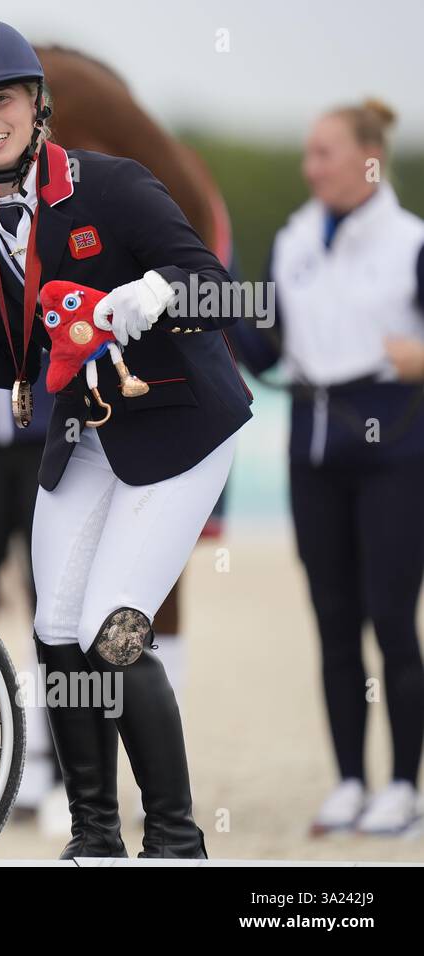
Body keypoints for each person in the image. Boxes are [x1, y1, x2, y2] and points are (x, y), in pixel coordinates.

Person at [0, 17, 253, 858]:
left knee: (111, 628)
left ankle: (176, 840)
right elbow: (9, 354)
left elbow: (224, 289)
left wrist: (161, 290)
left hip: (180, 431)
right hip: (87, 436)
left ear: (37, 104)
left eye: (2, 99)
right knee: (56, 631)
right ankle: (95, 836)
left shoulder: (116, 185)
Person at [228, 99, 424, 836]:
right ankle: (349, 781)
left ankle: (403, 785)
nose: (310, 167)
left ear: (370, 156)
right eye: (308, 153)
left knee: (392, 621)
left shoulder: (412, 242)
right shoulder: (295, 238)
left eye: (325, 153)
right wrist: (216, 301)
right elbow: (270, 352)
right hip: (312, 451)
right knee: (333, 622)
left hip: (398, 453)